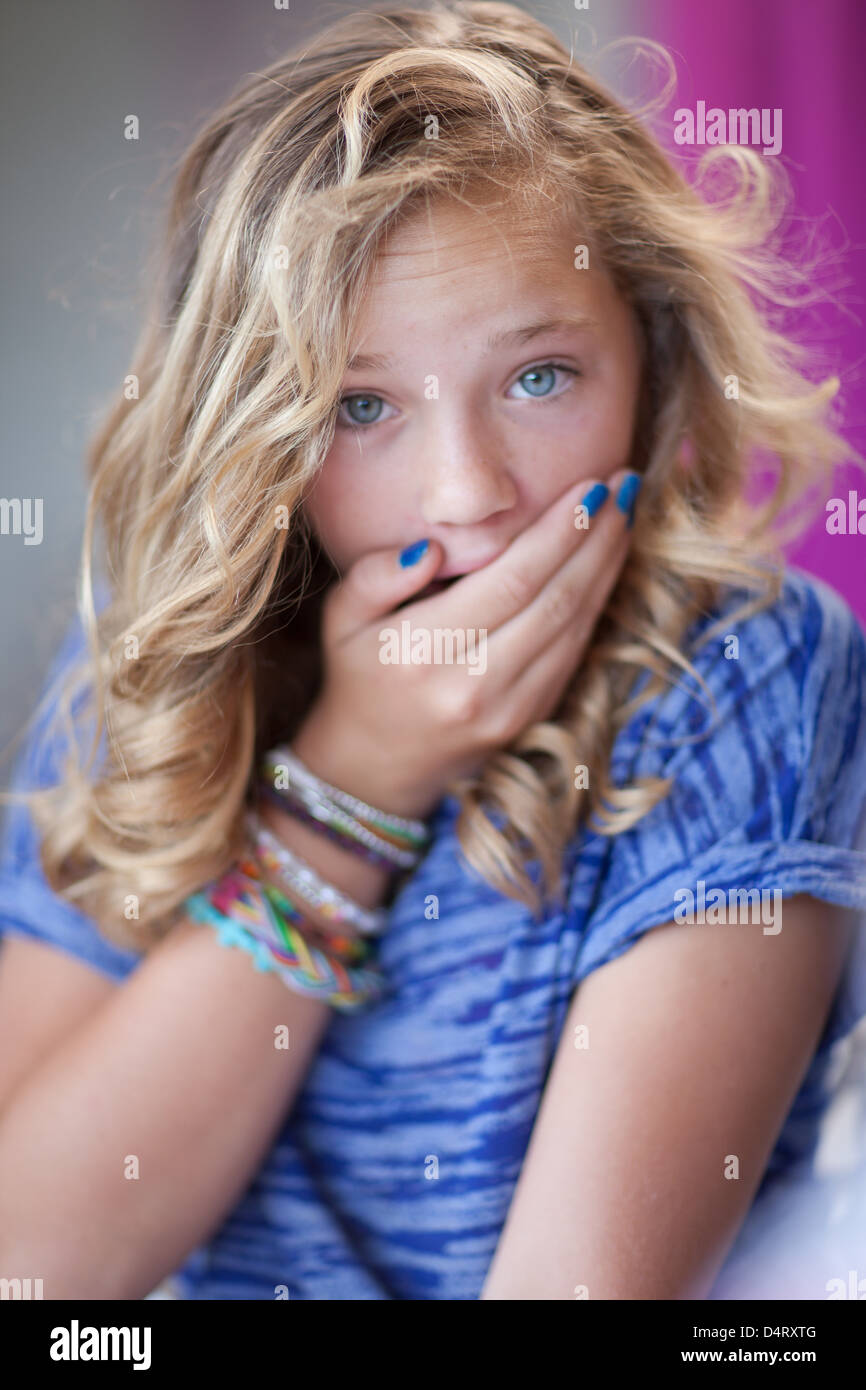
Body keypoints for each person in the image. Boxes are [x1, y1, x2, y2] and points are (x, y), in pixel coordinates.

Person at [1, 1, 865, 1301]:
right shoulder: (160, 636)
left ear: (650, 349)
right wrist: (350, 787)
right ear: (252, 430)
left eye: (537, 378)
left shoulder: (745, 671)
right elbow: (38, 1259)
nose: (466, 493)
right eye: (359, 405)